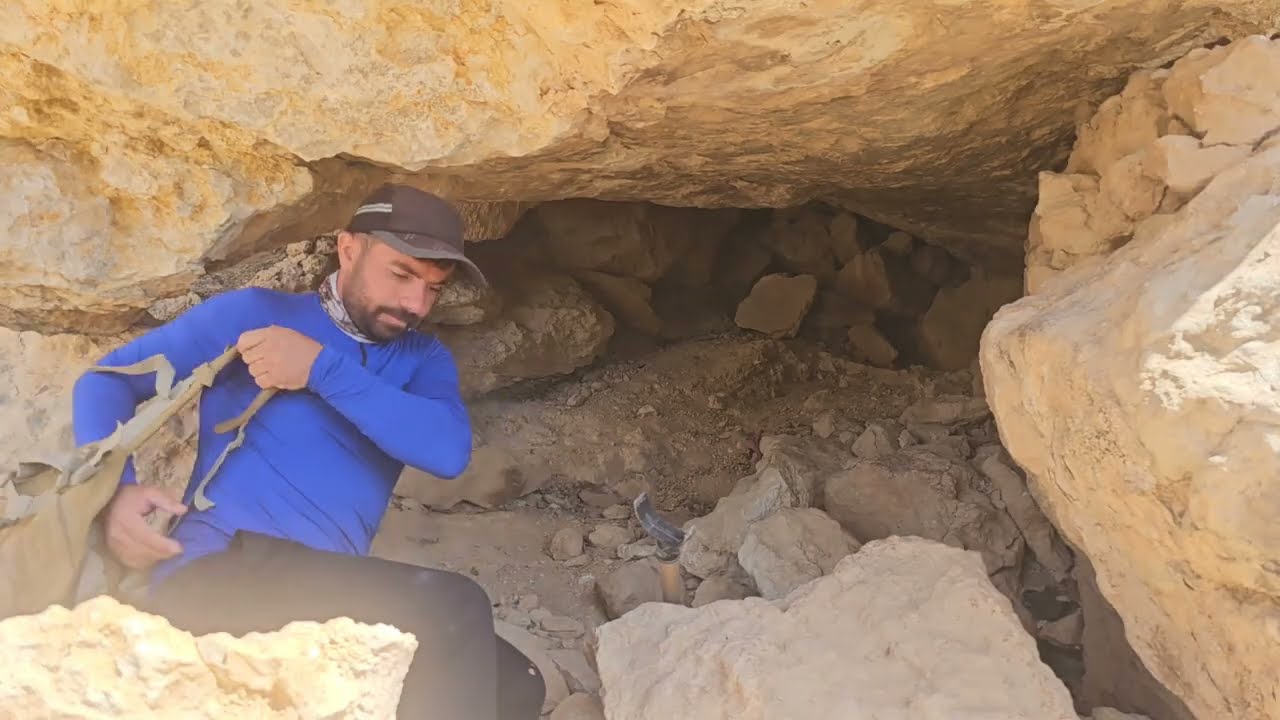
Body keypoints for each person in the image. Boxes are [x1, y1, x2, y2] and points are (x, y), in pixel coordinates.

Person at [71, 184, 545, 720]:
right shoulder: (257, 313)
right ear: (349, 250)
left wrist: (320, 369)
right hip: (221, 565)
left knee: (517, 684)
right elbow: (105, 381)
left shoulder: (422, 359)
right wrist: (117, 492)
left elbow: (446, 451)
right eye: (401, 274)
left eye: (434, 289)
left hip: (319, 582)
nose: (416, 304)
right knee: (453, 607)